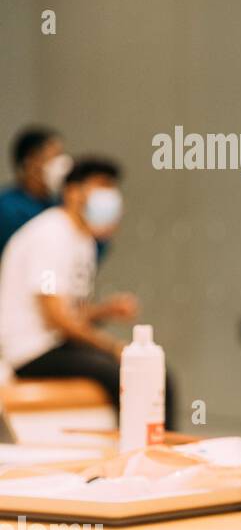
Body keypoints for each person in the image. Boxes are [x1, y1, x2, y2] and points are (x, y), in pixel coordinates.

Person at [0, 157, 173, 427]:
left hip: (57, 344)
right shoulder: (49, 236)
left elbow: (71, 312)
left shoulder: (83, 240)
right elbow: (54, 316)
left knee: (155, 374)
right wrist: (112, 346)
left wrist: (106, 310)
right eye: (100, 186)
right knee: (128, 373)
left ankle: (156, 453)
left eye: (112, 187)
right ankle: (141, 454)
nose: (109, 195)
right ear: (72, 192)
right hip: (31, 350)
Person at [1, 126, 73, 255]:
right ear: (31, 161)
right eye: (55, 156)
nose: (61, 164)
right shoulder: (7, 208)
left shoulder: (57, 205)